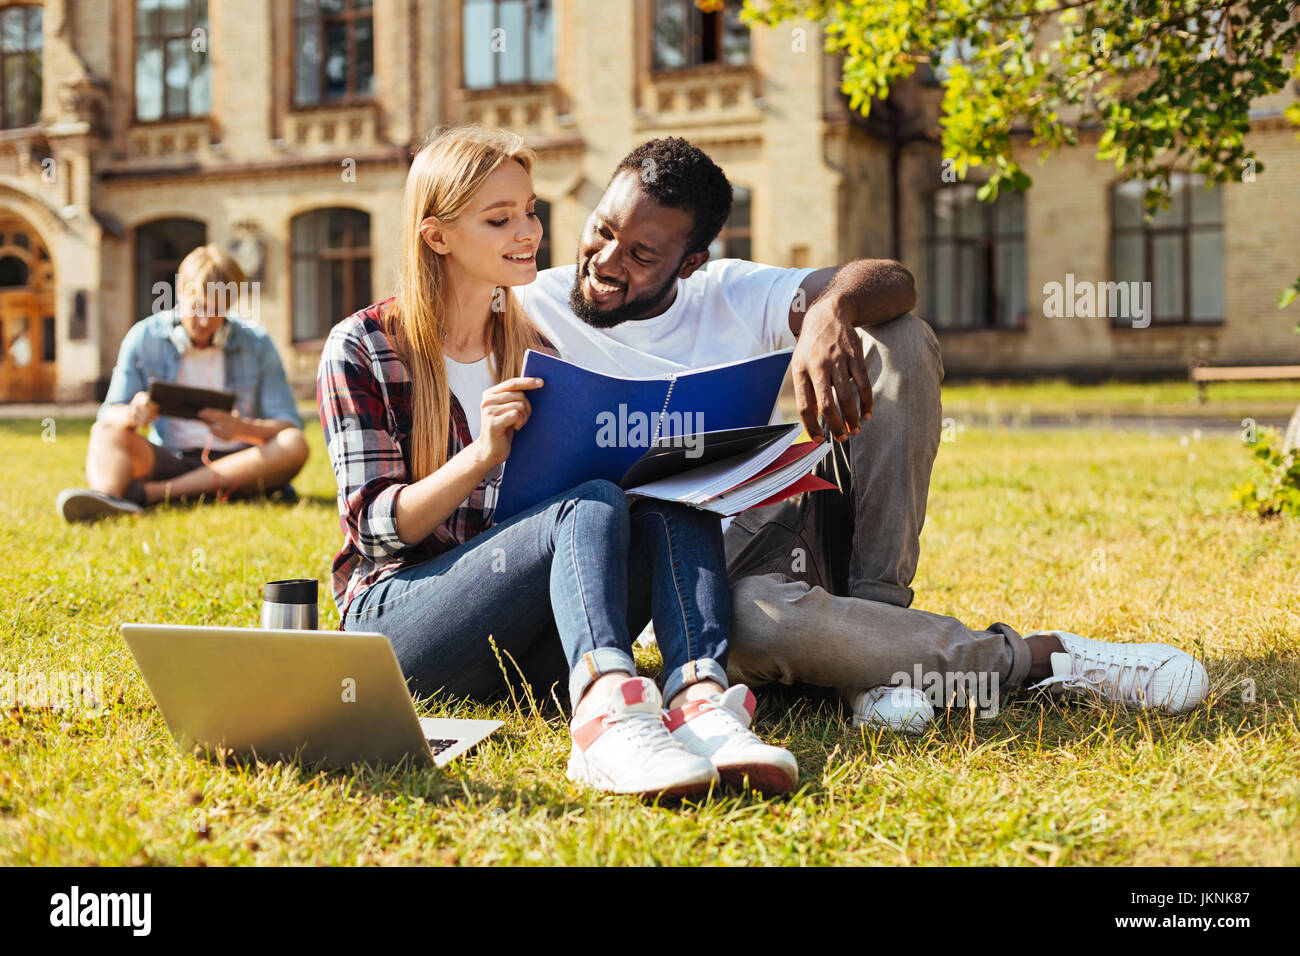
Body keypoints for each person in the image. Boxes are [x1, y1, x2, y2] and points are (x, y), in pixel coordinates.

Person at [511, 137, 1210, 728]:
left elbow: (895, 280)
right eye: (601, 229)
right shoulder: (530, 308)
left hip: (779, 521)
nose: (605, 261)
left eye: (640, 254)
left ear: (688, 263)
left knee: (897, 339)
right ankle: (1040, 658)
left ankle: (878, 619)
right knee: (752, 625)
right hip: (692, 587)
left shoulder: (725, 289)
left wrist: (830, 309)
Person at [316, 126, 797, 798]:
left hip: (522, 647)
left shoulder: (536, 347)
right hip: (401, 628)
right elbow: (375, 530)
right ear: (437, 237)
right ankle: (606, 717)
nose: (529, 233)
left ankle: (700, 701)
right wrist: (482, 457)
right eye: (499, 218)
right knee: (589, 502)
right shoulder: (363, 346)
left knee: (672, 493)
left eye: (531, 210)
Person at [57, 245, 309, 522]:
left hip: (239, 462)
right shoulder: (144, 337)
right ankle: (106, 500)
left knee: (294, 443)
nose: (204, 320)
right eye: (198, 307)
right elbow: (109, 412)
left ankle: (146, 495)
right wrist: (132, 413)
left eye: (216, 311)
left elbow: (288, 424)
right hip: (169, 459)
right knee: (106, 430)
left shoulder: (257, 343)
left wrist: (242, 429)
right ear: (180, 292)